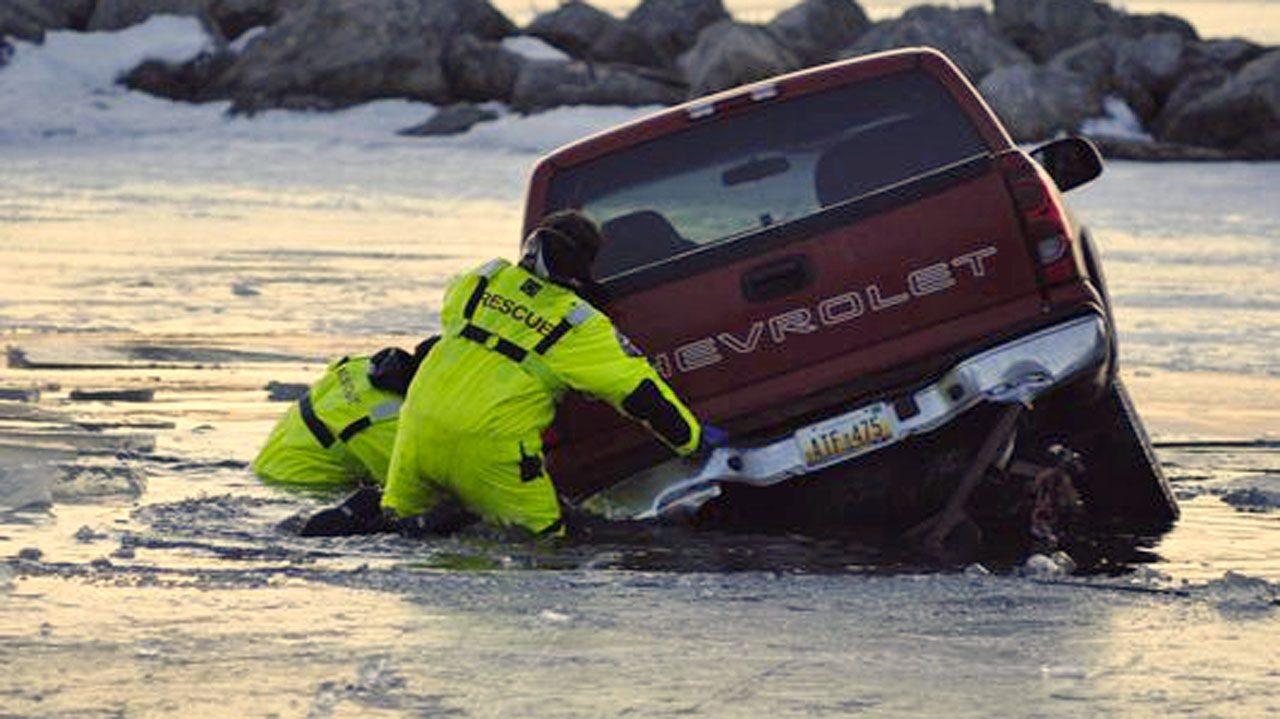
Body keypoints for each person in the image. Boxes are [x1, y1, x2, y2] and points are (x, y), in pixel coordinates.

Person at [380, 209, 719, 537]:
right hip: (492, 448)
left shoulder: (479, 283)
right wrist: (692, 441)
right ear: (587, 263)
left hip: (417, 428)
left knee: (393, 523)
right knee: (545, 546)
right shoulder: (580, 327)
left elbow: (473, 313)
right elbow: (640, 394)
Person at [252, 337, 438, 495]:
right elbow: (412, 487)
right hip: (302, 486)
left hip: (271, 462)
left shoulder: (361, 365)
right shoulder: (384, 420)